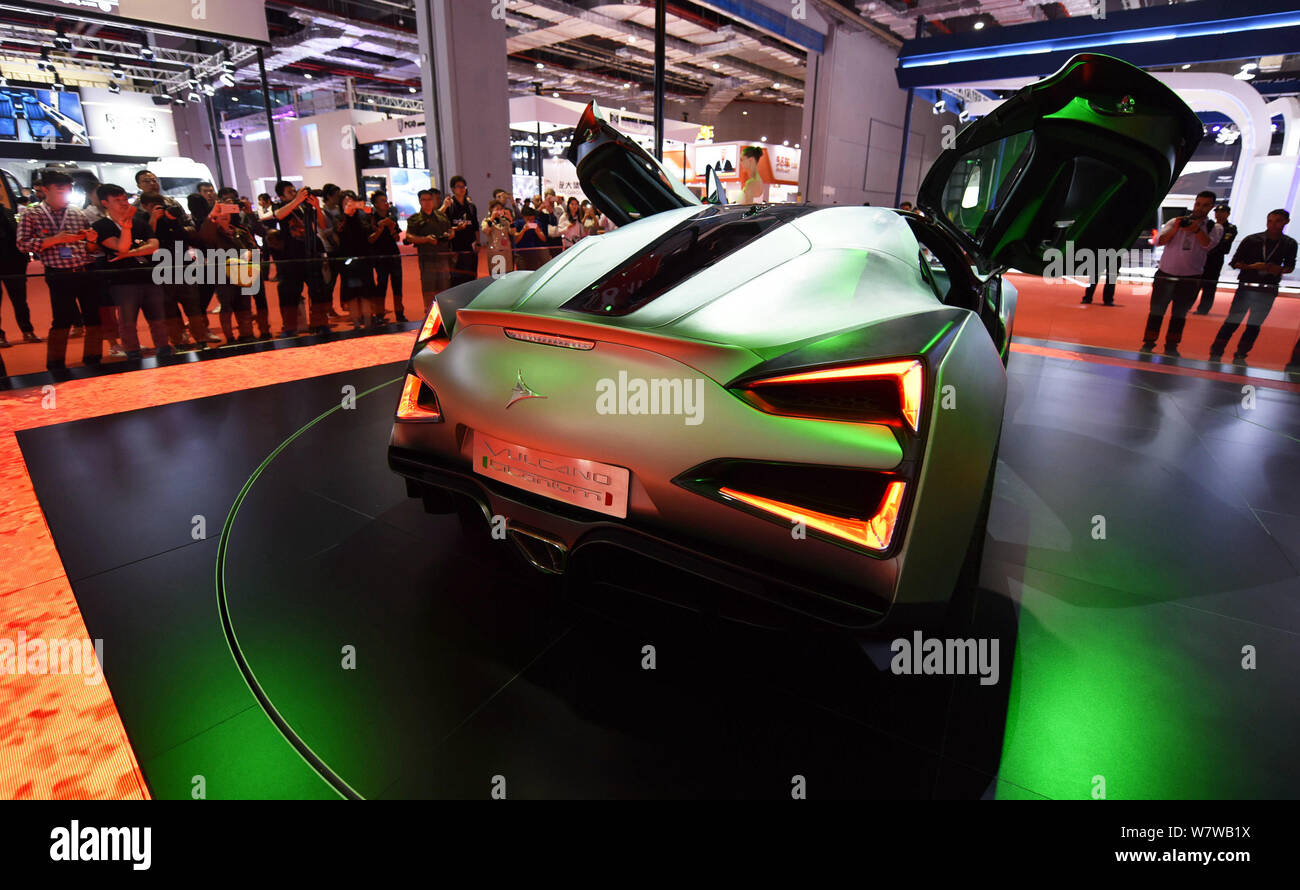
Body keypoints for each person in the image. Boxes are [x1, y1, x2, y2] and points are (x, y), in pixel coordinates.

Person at [16, 171, 103, 369]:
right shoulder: (32, 213)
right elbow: (22, 245)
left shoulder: (76, 212)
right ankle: (55, 365)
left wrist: (90, 241)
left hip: (84, 269)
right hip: (58, 273)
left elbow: (92, 248)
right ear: (45, 190)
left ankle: (93, 360)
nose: (66, 194)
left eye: (69, 190)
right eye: (60, 190)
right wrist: (55, 240)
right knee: (62, 320)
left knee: (93, 318)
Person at [1208, 209, 1297, 365]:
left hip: (1268, 288)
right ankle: (1216, 351)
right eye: (1270, 221)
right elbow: (1234, 263)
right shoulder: (1252, 240)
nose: (1273, 225)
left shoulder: (1289, 244)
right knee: (1233, 321)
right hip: (1246, 287)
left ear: (1286, 222)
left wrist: (1278, 269)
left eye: (1278, 221)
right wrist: (1252, 267)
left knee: (1254, 325)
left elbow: (1290, 266)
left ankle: (1241, 354)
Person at [92, 184, 171, 360]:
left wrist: (128, 253)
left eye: (124, 199)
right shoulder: (101, 226)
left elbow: (154, 246)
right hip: (122, 279)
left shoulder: (140, 222)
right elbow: (121, 246)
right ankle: (132, 352)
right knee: (127, 321)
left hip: (148, 275)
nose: (123, 203)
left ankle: (164, 349)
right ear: (105, 203)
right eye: (117, 200)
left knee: (158, 317)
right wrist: (126, 231)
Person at [1141, 190, 1222, 357]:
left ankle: (1171, 345)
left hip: (1190, 278)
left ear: (1211, 207)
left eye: (1205, 205)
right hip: (1165, 274)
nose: (1200, 207)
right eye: (1198, 203)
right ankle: (1149, 343)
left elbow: (1209, 246)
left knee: (1179, 315)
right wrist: (1176, 228)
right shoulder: (1175, 222)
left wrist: (1197, 230)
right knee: (1156, 312)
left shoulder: (1214, 227)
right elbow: (1159, 241)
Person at [272, 180, 330, 335]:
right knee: (290, 294)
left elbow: (322, 226)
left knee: (318, 292)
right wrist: (297, 200)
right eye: (290, 192)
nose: (294, 193)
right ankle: (290, 328)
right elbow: (278, 215)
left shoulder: (304, 208)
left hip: (311, 255)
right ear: (281, 196)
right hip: (292, 259)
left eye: (294, 190)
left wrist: (317, 207)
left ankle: (320, 323)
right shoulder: (281, 207)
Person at [197, 202, 256, 343]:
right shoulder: (212, 232)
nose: (224, 216)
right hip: (222, 276)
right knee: (226, 306)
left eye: (226, 213)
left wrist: (250, 253)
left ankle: (247, 335)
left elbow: (254, 247)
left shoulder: (239, 232)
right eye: (220, 214)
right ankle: (229, 338)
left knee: (245, 306)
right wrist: (212, 215)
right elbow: (204, 236)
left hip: (242, 274)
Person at [404, 188, 452, 314]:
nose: (427, 202)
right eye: (424, 200)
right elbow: (408, 236)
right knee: (428, 287)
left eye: (429, 199)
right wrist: (425, 239)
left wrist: (448, 235)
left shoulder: (441, 216)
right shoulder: (415, 219)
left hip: (443, 257)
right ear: (420, 201)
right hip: (427, 258)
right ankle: (429, 314)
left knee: (444, 287)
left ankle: (443, 314)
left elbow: (451, 230)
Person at [334, 191, 378, 327]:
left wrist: (366, 211)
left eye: (351, 202)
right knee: (352, 294)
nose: (349, 205)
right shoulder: (340, 218)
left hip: (364, 259)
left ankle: (368, 321)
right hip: (348, 261)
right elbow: (339, 233)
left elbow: (370, 231)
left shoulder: (362, 217)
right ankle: (356, 323)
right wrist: (347, 216)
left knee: (366, 292)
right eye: (346, 203)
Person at [0, 201, 40, 348]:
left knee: (20, 299)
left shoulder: (10, 213)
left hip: (13, 263)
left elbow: (20, 236)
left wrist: (23, 259)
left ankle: (27, 330)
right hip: (10, 261)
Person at [368, 191, 406, 323]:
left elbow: (396, 237)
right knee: (381, 286)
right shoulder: (371, 219)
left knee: (397, 285)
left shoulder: (392, 217)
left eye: (386, 200)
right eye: (382, 201)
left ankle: (400, 313)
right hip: (380, 256)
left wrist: (391, 227)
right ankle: (379, 314)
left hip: (394, 255)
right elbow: (370, 240)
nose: (386, 203)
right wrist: (380, 228)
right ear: (375, 204)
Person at [1193, 204, 1238, 314]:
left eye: (1222, 212)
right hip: (1202, 256)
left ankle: (1203, 309)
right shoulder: (1209, 225)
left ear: (1228, 214)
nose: (1219, 214)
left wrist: (1208, 247)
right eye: (1217, 212)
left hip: (1215, 258)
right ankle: (1187, 304)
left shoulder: (1230, 229)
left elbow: (1223, 244)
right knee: (1194, 282)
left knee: (1210, 285)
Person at [446, 175, 479, 286]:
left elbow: (475, 226)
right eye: (458, 186)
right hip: (455, 248)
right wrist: (456, 228)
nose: (462, 189)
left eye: (464, 186)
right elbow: (445, 227)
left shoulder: (471, 206)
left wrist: (478, 242)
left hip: (470, 247)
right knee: (457, 279)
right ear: (453, 189)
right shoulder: (449, 206)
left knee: (471, 277)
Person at [481, 200, 515, 276]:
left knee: (508, 275)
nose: (499, 211)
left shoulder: (505, 221)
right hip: (495, 252)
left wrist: (511, 220)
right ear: (491, 210)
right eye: (497, 209)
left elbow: (512, 232)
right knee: (496, 277)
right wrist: (492, 218)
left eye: (501, 209)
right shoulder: (487, 220)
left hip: (506, 252)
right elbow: (485, 231)